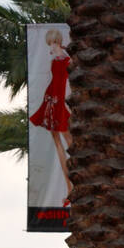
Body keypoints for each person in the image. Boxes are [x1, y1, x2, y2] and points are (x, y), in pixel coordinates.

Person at [30, 28, 72, 203]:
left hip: (62, 102)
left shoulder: (68, 60)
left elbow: (69, 83)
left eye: (52, 43)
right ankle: (69, 187)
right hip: (52, 100)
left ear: (57, 42)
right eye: (49, 44)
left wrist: (68, 106)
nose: (51, 47)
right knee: (57, 142)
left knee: (69, 141)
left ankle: (74, 185)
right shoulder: (54, 61)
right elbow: (53, 81)